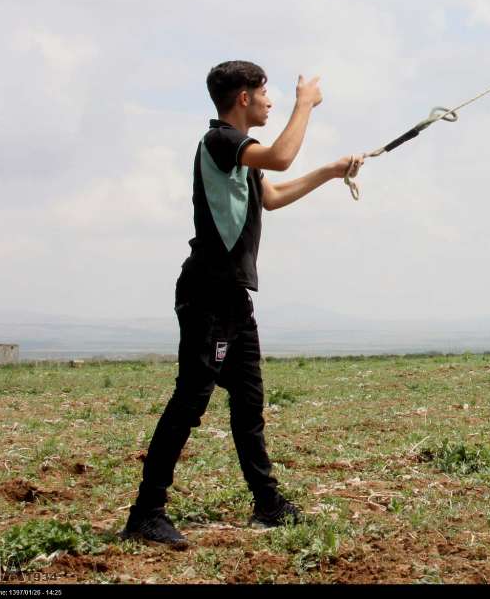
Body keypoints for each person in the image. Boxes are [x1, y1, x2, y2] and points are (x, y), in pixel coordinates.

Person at [120, 60, 364, 549]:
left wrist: (330, 172)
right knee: (190, 402)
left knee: (249, 403)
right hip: (206, 295)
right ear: (244, 98)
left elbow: (271, 194)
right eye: (266, 94)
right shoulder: (220, 142)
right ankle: (146, 513)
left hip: (232, 297)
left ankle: (268, 504)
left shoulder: (240, 156)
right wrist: (304, 105)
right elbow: (279, 159)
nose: (271, 101)